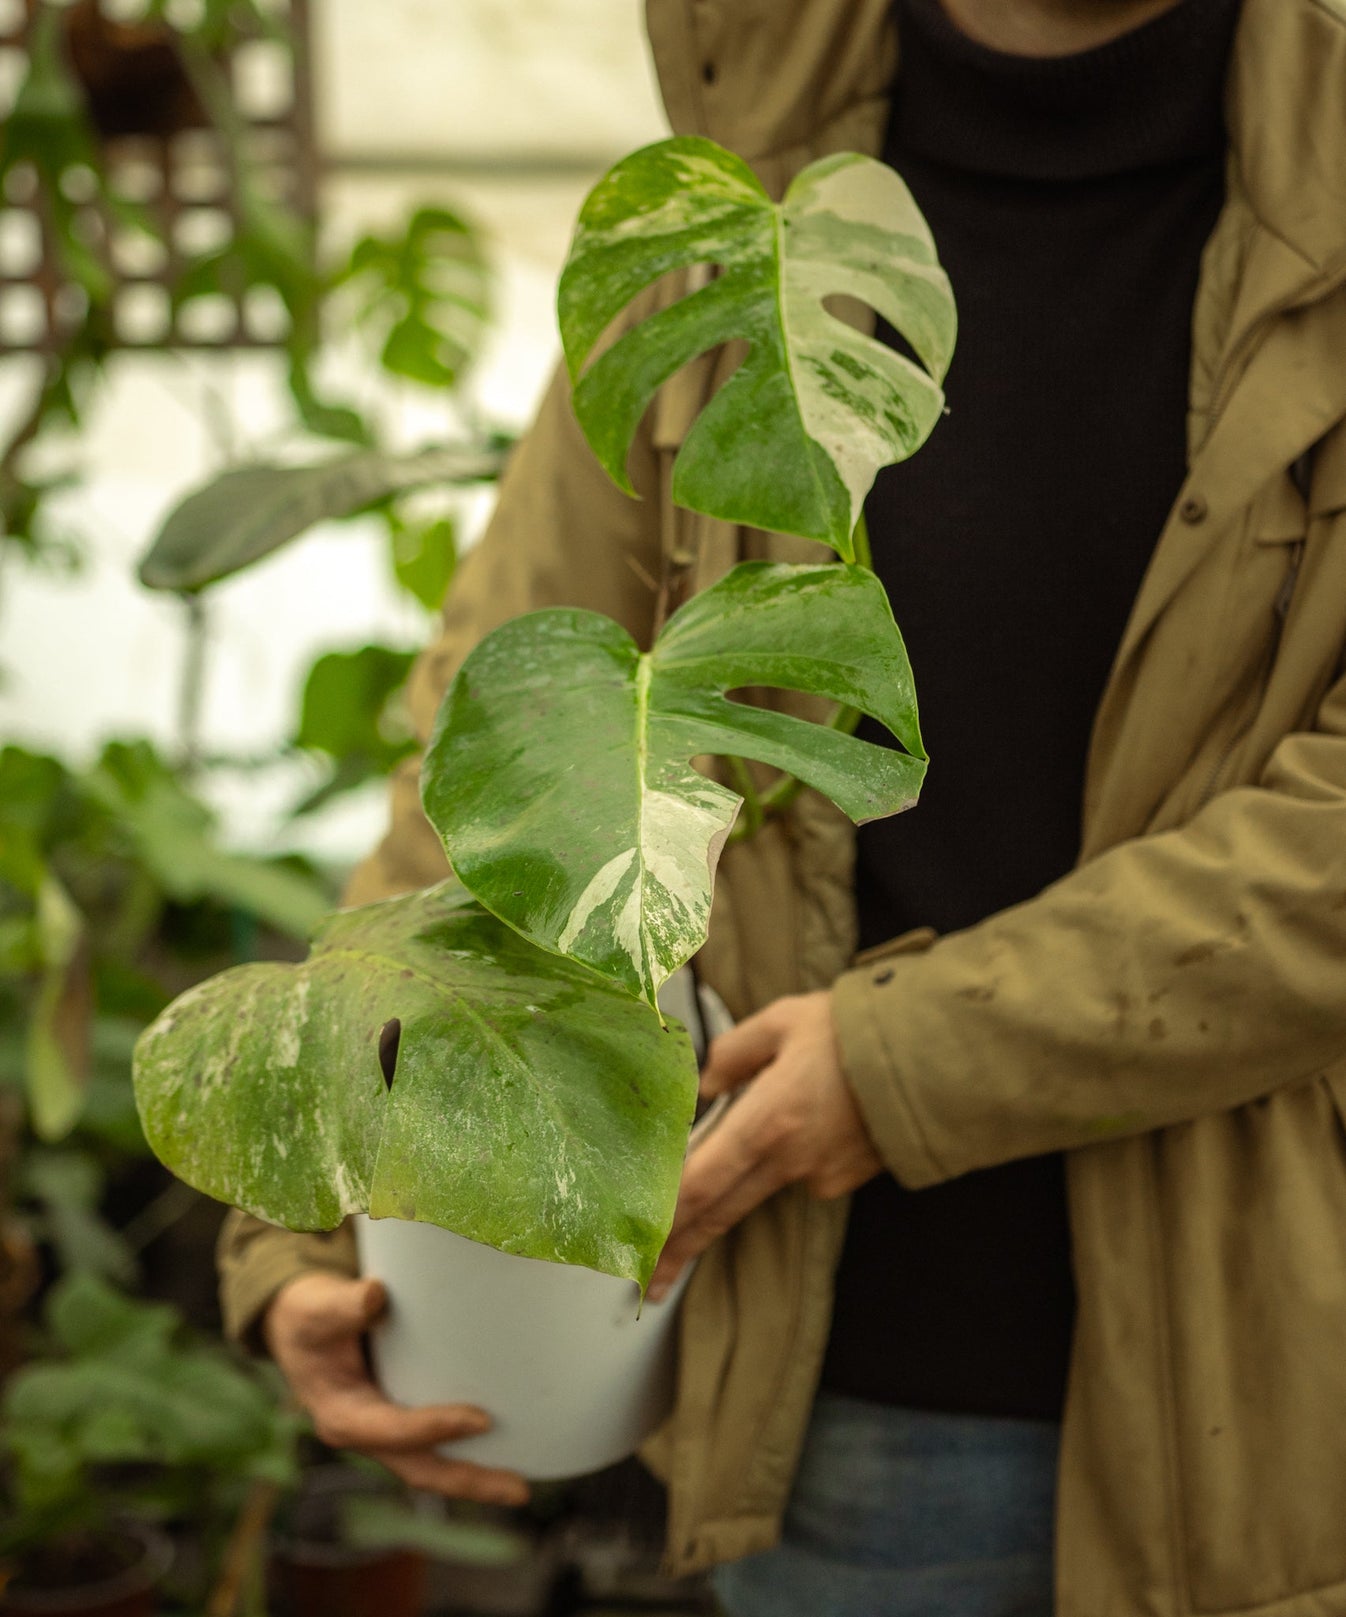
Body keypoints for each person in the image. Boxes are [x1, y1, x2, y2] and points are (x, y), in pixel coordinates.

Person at [218, 0, 1346, 1611]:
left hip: (1285, 1378)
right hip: (838, 1391)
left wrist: (903, 1058)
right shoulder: (716, 217)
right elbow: (509, 737)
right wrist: (315, 1239)